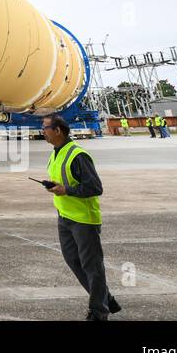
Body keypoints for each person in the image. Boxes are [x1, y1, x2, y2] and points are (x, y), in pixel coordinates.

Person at [40, 115, 121, 320]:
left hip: (84, 220)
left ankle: (98, 312)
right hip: (64, 217)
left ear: (58, 130)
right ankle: (105, 298)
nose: (43, 131)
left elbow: (95, 187)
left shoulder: (77, 155)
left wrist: (65, 190)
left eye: (45, 128)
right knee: (73, 261)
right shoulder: (56, 154)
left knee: (92, 266)